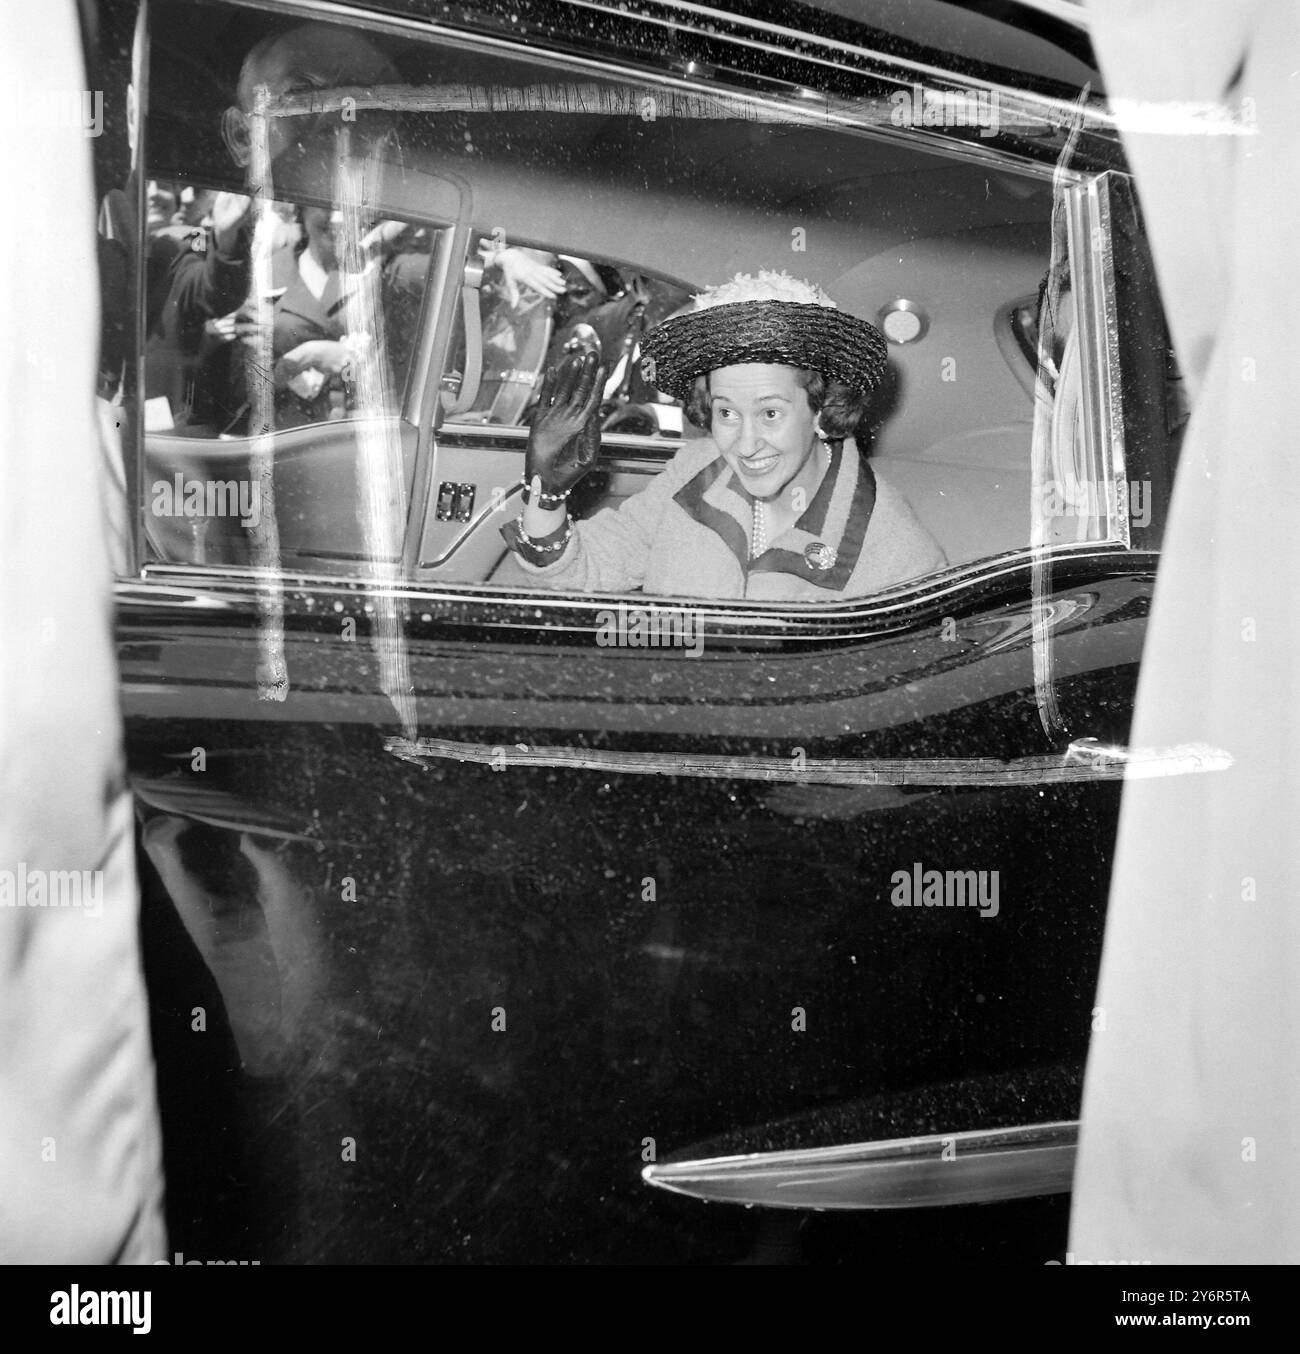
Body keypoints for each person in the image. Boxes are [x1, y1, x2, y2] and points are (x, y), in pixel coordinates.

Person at [500, 270, 946, 600]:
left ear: (822, 408)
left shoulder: (896, 550)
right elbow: (586, 571)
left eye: (770, 412)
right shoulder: (696, 470)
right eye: (726, 413)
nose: (745, 444)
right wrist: (545, 498)